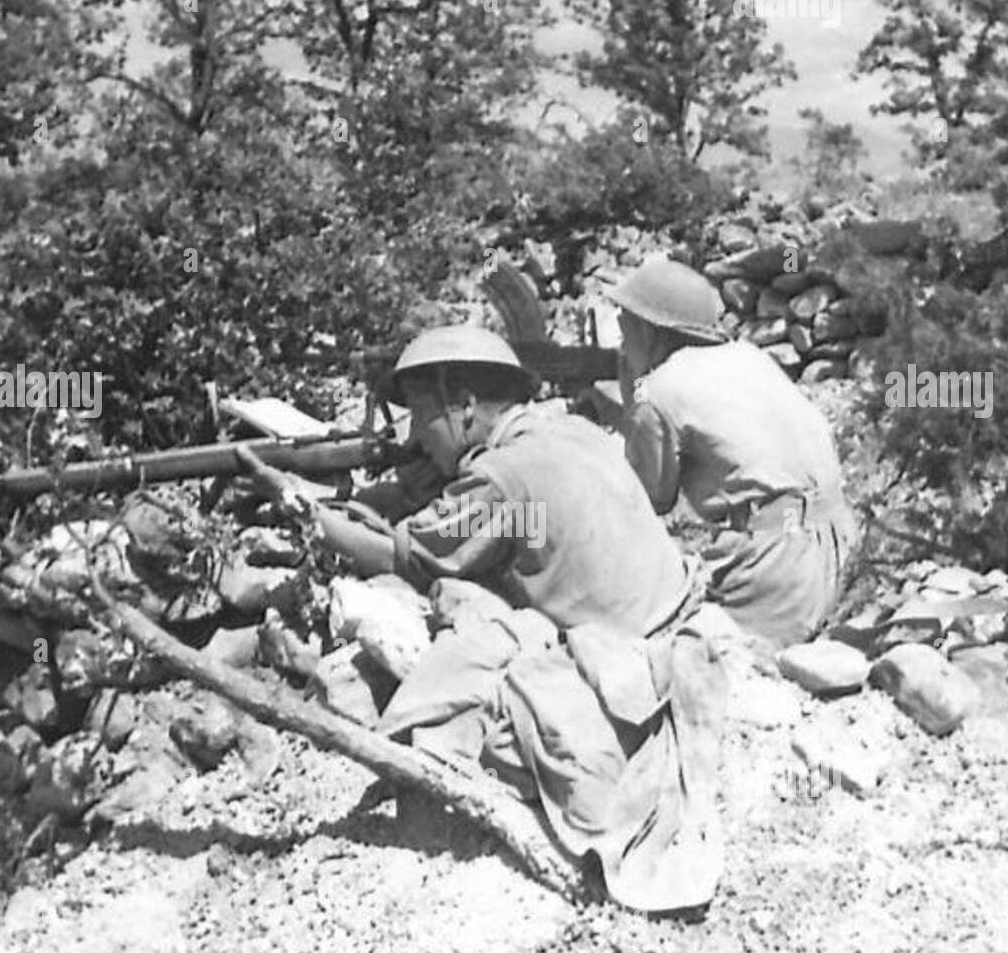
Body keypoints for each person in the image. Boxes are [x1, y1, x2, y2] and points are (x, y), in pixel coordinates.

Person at [238, 325, 730, 912]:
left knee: (463, 619)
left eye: (422, 415)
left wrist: (303, 505)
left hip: (625, 661)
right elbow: (526, 523)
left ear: (465, 406)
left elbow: (411, 555)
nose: (416, 434)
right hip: (672, 619)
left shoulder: (499, 480)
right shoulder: (569, 430)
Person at [608, 256, 858, 650]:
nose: (622, 339)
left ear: (650, 330)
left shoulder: (659, 390)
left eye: (626, 325)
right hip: (836, 545)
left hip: (777, 567)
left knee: (650, 652)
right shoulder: (749, 357)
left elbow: (645, 501)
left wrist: (632, 404)